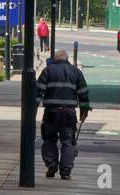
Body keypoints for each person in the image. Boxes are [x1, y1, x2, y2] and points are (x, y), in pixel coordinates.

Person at [36, 48, 90, 179]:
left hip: (51, 112)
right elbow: (83, 93)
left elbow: (38, 92)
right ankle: (65, 172)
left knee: (49, 139)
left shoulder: (47, 71)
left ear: (55, 59)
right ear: (67, 59)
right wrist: (84, 111)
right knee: (68, 141)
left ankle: (51, 165)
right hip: (69, 114)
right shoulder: (76, 72)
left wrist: (33, 108)